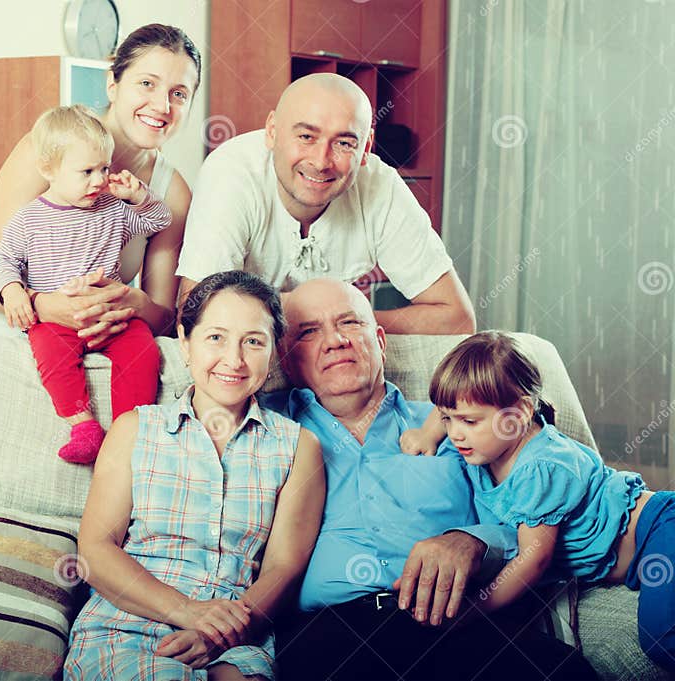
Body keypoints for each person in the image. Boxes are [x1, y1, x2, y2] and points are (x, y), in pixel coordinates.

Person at [263, 278, 597, 680]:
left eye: (350, 323)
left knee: (565, 673)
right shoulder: (268, 429)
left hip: (449, 622)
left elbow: (533, 517)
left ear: (380, 341)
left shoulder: (462, 425)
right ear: (287, 356)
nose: (335, 341)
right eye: (310, 331)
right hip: (329, 632)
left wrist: (474, 540)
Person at [63, 271, 325, 680]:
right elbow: (95, 549)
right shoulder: (136, 429)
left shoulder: (298, 446)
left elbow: (284, 567)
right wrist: (185, 611)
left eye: (253, 341)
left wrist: (219, 633)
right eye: (215, 337)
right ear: (185, 342)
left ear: (274, 352)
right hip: (127, 622)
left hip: (237, 632)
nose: (234, 360)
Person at [399, 331, 674, 672]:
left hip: (661, 532)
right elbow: (452, 408)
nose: (455, 433)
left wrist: (475, 611)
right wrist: (427, 433)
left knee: (661, 639)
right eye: (447, 418)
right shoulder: (482, 442)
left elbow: (534, 560)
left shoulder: (539, 468)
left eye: (469, 422)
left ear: (521, 412)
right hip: (642, 558)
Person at [176, 73, 475, 335]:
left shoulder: (382, 185)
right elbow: (194, 311)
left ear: (367, 147)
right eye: (306, 136)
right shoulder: (230, 172)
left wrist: (347, 319)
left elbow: (458, 318)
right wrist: (325, 312)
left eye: (344, 143)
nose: (321, 162)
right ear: (272, 132)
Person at [0, 24, 200, 343]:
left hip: (94, 351)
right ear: (112, 84)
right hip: (8, 338)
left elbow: (163, 319)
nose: (162, 106)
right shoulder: (46, 150)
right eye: (147, 83)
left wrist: (137, 305)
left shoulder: (171, 192)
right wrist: (41, 305)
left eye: (179, 94)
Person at [0, 105, 170, 464]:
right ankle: (83, 425)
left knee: (143, 350)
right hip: (57, 321)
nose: (99, 180)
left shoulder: (113, 209)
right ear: (48, 170)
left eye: (104, 168)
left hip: (112, 316)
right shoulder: (29, 219)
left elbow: (160, 219)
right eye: (86, 171)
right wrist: (12, 290)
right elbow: (2, 260)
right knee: (47, 351)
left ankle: (127, 430)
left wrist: (139, 197)